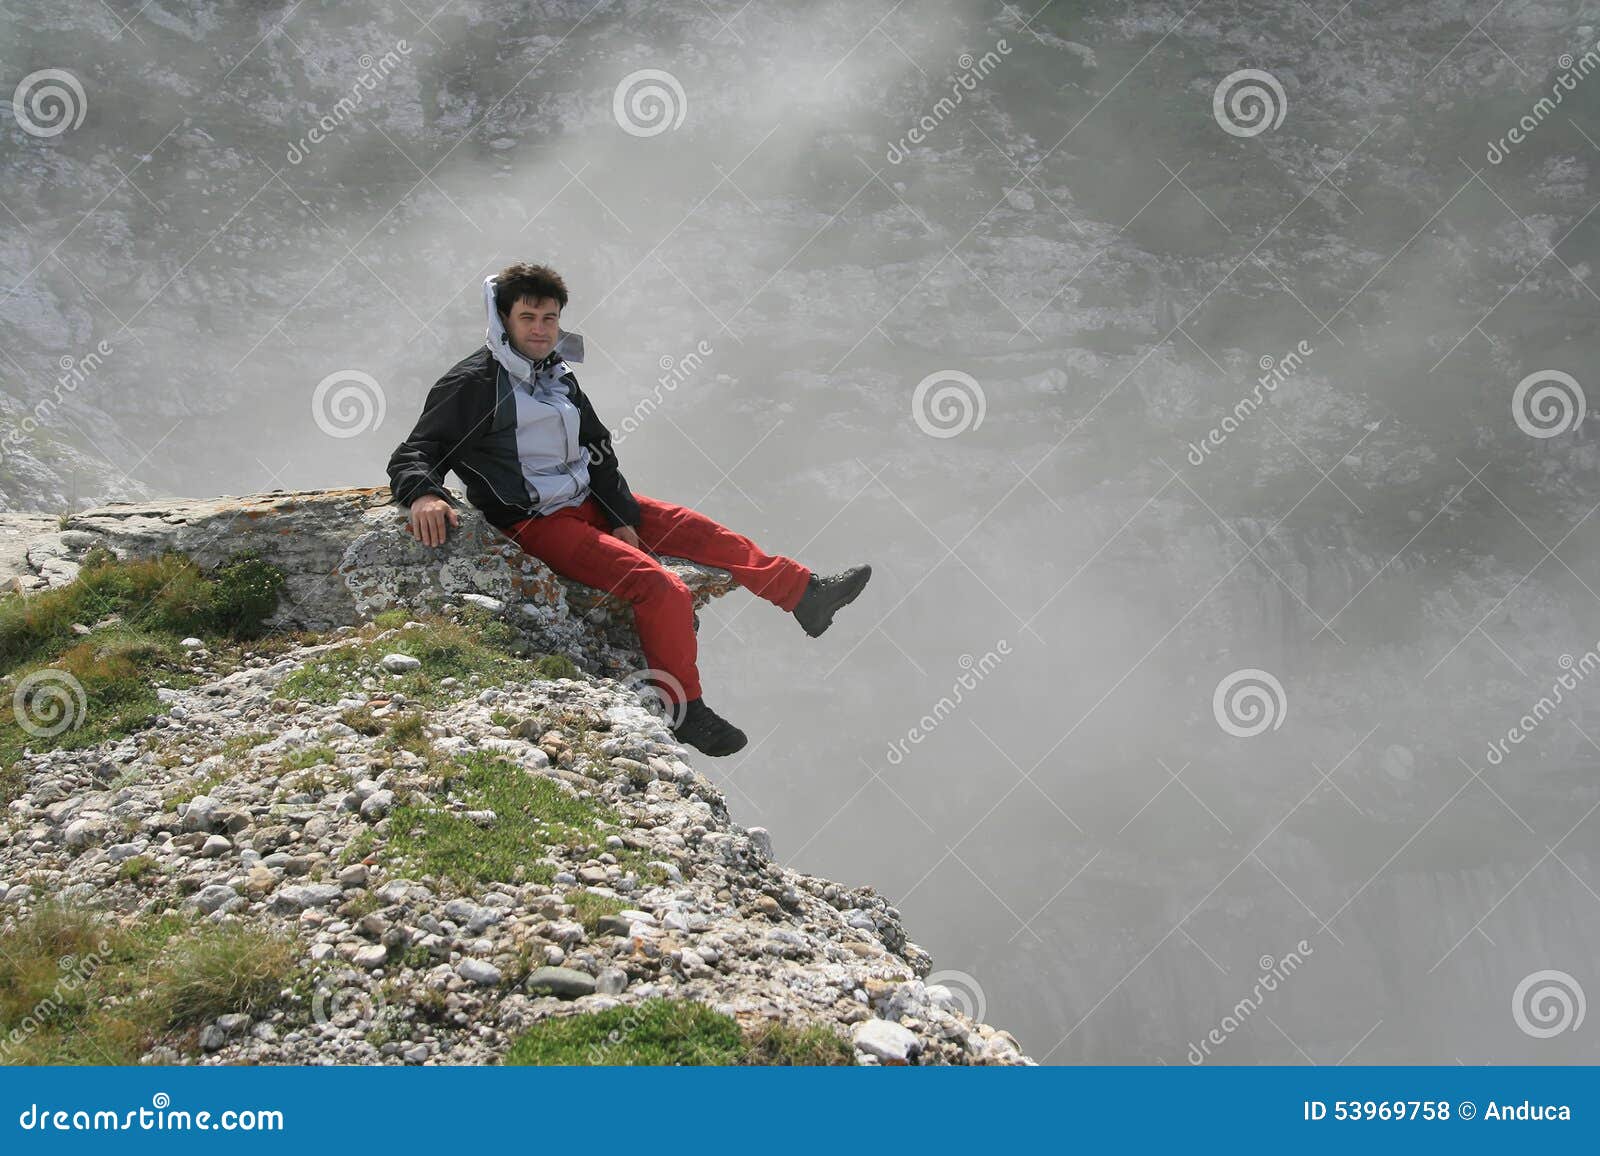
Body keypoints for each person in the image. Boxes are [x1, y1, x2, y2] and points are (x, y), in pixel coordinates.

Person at [385, 261, 872, 757]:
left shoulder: (556, 376)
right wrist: (424, 493)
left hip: (587, 501)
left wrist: (620, 517)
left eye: (549, 318)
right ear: (503, 319)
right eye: (528, 317)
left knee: (704, 534)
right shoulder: (473, 384)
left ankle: (804, 594)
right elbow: (416, 451)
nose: (540, 329)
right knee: (660, 587)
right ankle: (686, 711)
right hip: (534, 521)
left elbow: (598, 448)